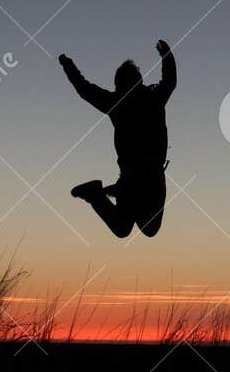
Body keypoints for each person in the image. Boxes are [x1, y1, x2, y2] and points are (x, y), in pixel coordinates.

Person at [61, 39, 176, 239]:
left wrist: (68, 66)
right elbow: (170, 81)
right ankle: (98, 194)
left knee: (124, 228)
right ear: (138, 80)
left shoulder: (118, 102)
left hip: (132, 176)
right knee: (147, 229)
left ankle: (97, 194)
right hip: (149, 176)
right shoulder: (152, 98)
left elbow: (84, 89)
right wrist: (166, 55)